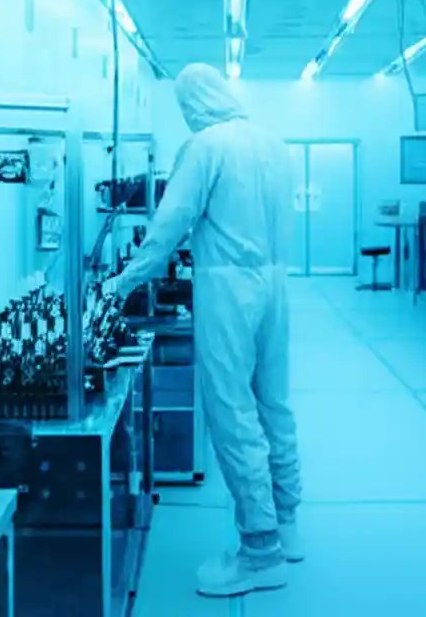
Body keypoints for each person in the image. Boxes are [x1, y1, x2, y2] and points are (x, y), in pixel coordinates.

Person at [104, 63, 302, 597]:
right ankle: (286, 521)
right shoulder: (274, 145)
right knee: (274, 403)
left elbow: (170, 224)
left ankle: (260, 550)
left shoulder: (206, 145)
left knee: (231, 409)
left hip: (229, 287)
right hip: (277, 285)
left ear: (193, 102)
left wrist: (121, 283)